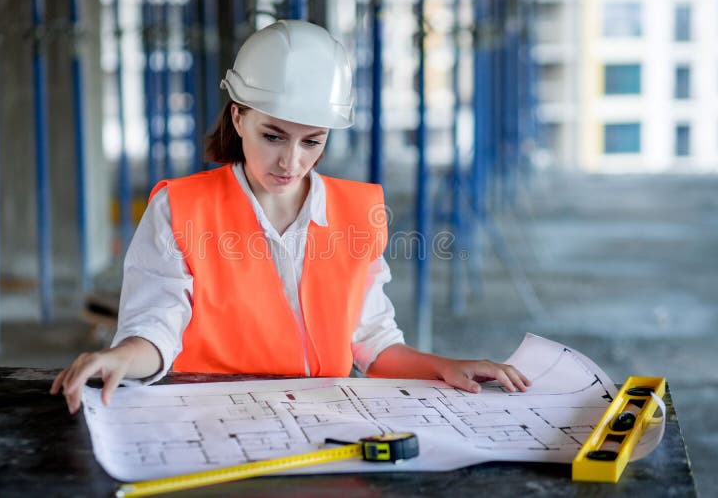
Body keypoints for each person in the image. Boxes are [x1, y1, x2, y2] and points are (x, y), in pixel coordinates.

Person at [51, 20, 530, 414]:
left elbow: (372, 342)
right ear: (238, 118)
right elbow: (156, 325)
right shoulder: (181, 208)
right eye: (273, 136)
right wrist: (119, 357)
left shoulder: (357, 212)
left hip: (325, 419)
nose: (291, 162)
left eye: (312, 141)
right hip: (211, 418)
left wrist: (444, 366)